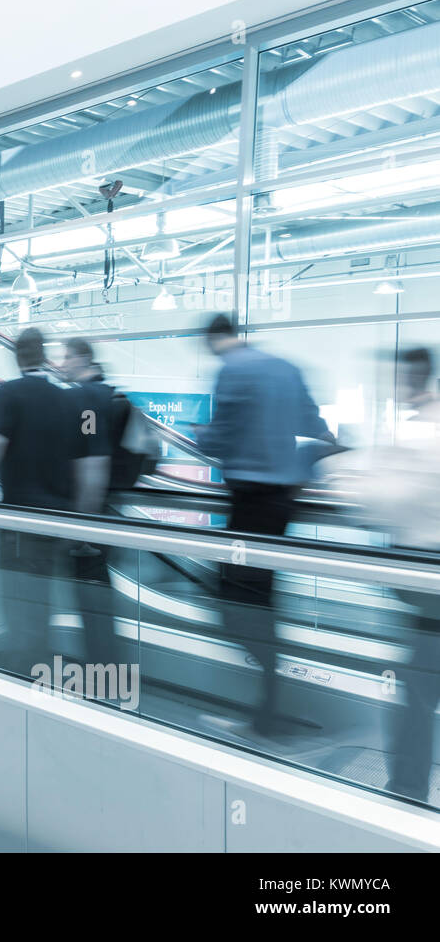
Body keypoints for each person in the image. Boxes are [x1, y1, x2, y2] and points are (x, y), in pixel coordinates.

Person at [193, 314, 333, 739]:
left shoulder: (231, 369)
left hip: (249, 500)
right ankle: (268, 709)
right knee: (260, 598)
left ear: (214, 339)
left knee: (234, 604)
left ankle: (268, 712)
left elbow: (219, 438)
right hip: (282, 502)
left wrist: (200, 435)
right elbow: (316, 427)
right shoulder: (287, 368)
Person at [0, 327, 83, 675]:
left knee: (15, 602)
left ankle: (21, 676)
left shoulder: (10, 393)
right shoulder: (67, 399)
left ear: (17, 356)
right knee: (42, 600)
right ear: (43, 354)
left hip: (19, 522)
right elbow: (80, 463)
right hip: (57, 521)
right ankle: (41, 672)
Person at [361, 347, 440, 802]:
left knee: (417, 692)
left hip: (428, 582)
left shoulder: (418, 434)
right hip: (426, 583)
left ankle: (407, 790)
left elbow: (382, 504)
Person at [61, 337, 119, 669]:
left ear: (83, 358)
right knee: (97, 602)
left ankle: (102, 676)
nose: (62, 363)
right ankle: (103, 669)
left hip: (90, 520)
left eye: (66, 356)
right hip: (104, 514)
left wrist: (83, 529)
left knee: (92, 602)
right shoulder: (105, 390)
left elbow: (94, 463)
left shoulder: (87, 397)